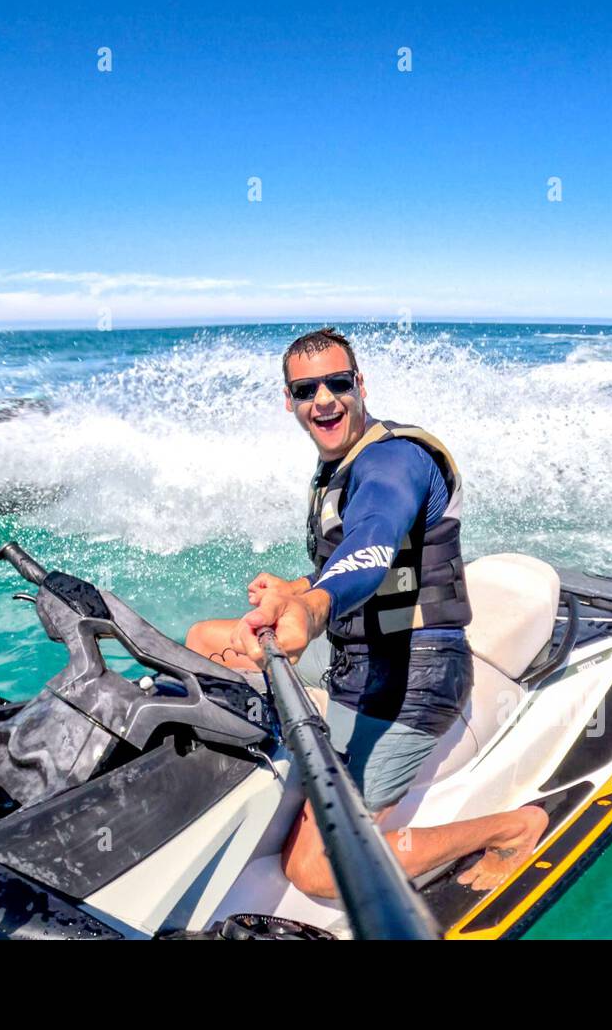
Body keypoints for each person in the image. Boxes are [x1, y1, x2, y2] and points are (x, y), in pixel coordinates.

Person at [186, 327, 548, 899]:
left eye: (337, 384)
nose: (323, 400)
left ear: (359, 385)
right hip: (358, 662)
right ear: (290, 401)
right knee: (208, 639)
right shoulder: (339, 466)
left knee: (316, 870)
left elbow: (373, 547)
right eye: (306, 390)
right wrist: (296, 588)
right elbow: (346, 558)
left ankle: (512, 827)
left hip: (417, 679)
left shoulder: (393, 464)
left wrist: (311, 606)